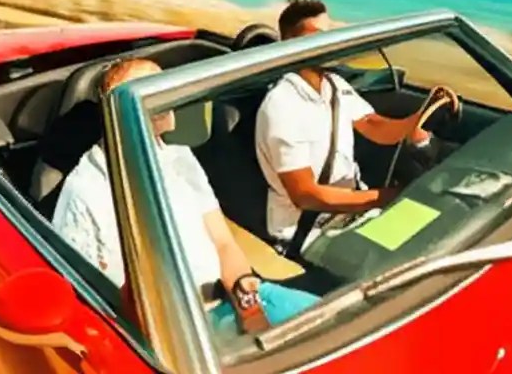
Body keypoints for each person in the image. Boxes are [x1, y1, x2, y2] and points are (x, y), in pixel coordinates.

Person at [52, 57, 319, 336]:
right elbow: (96, 304)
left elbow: (223, 243)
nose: (165, 99)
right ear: (116, 113)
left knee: (337, 321)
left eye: (164, 88)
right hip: (169, 334)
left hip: (232, 300)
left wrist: (250, 310)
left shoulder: (180, 158)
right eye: (149, 94)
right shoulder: (85, 190)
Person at [255, 0, 451, 250]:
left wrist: (421, 117)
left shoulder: (335, 85)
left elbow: (373, 125)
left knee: (439, 227)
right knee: (409, 252)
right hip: (312, 230)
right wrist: (385, 197)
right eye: (317, 35)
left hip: (354, 214)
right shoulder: (281, 105)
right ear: (293, 43)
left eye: (331, 34)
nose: (330, 42)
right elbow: (306, 195)